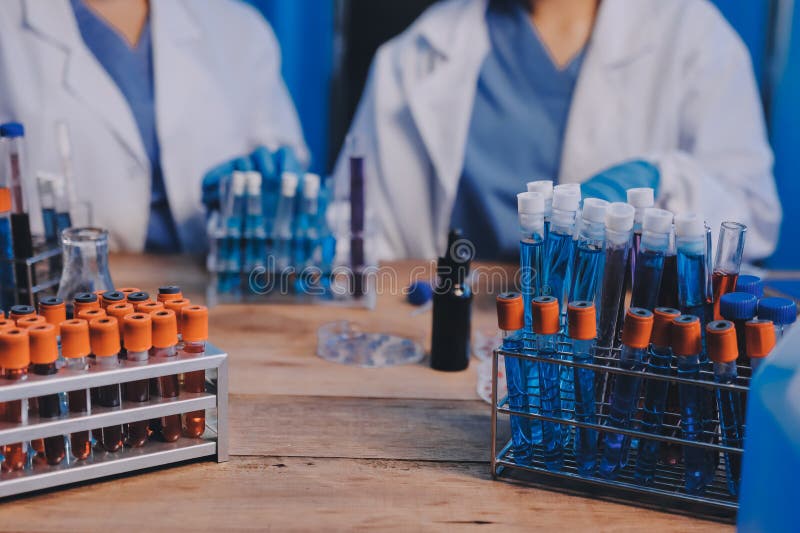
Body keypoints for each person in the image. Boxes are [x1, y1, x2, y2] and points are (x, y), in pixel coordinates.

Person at [334, 0, 781, 261]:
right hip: (451, 343)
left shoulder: (696, 39)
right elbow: (355, 235)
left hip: (617, 356)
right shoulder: (413, 56)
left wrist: (664, 183)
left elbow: (752, 224)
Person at [0, 0, 306, 252]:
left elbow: (288, 167)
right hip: (59, 307)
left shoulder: (240, 30)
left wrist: (274, 200)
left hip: (218, 302)